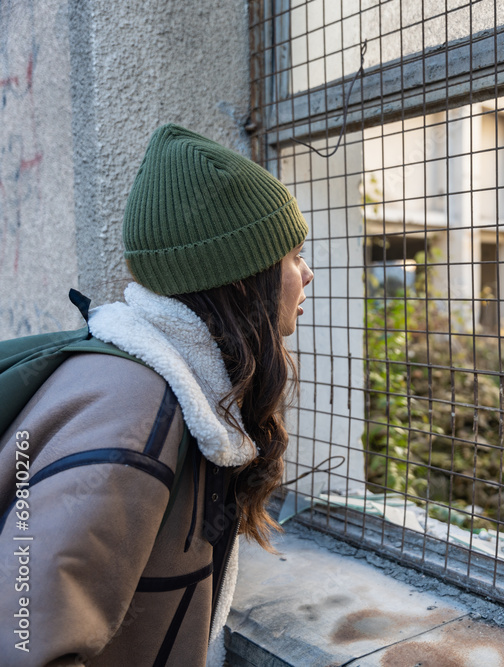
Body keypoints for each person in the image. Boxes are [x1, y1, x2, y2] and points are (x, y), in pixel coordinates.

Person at [0, 123, 313, 666]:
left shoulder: (168, 388)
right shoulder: (137, 419)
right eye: (292, 257)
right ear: (240, 279)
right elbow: (24, 641)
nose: (306, 275)